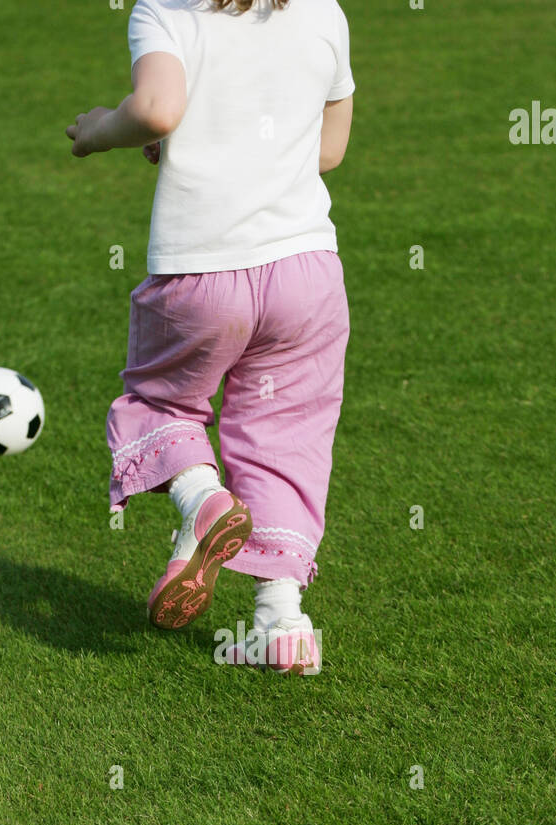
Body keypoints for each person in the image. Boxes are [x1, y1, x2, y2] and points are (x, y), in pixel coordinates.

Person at [66, 0, 354, 674]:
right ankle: (281, 623)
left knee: (160, 403)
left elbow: (158, 107)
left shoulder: (166, 10)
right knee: (285, 434)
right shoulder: (324, 11)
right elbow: (329, 149)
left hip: (203, 272)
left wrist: (101, 129)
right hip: (307, 275)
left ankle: (202, 500)